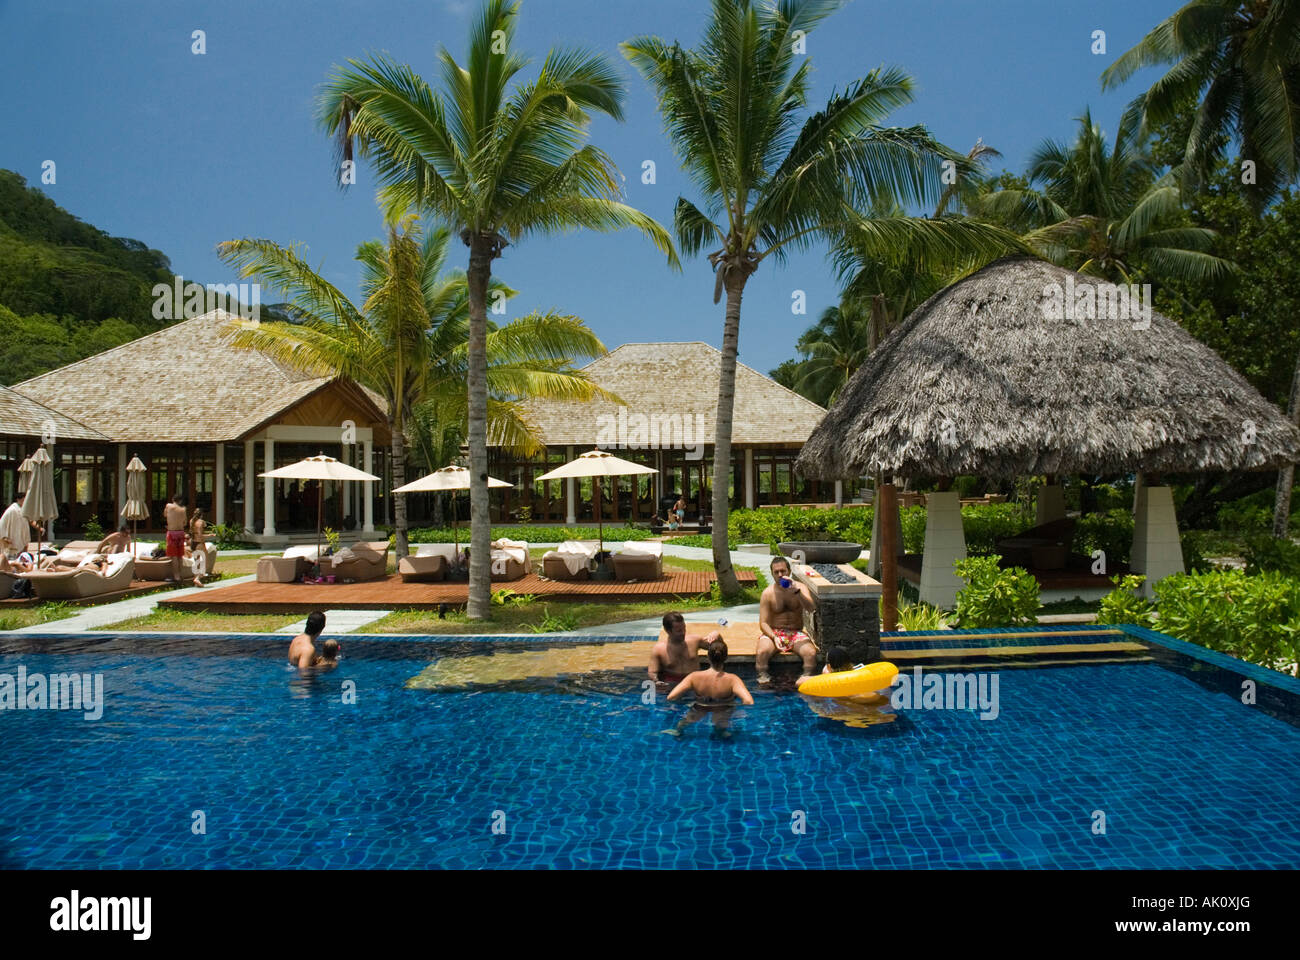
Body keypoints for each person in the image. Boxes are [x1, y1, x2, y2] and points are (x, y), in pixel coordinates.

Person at [665, 639, 754, 737]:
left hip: (699, 708)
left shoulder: (694, 677)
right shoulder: (733, 679)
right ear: (726, 657)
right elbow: (749, 701)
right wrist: (736, 708)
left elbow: (671, 697)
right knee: (720, 728)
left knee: (683, 723)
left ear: (708, 657)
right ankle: (720, 732)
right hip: (722, 709)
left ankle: (678, 731)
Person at [755, 556, 818, 684]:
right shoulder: (768, 593)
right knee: (761, 653)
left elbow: (811, 608)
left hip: (795, 633)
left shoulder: (800, 588)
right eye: (776, 572)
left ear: (789, 572)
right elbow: (763, 623)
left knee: (811, 653)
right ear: (772, 574)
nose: (780, 574)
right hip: (774, 632)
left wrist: (797, 591)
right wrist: (774, 637)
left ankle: (805, 678)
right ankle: (764, 679)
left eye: (783, 571)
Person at [648, 611, 720, 685]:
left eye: (684, 628)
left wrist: (717, 635)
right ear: (667, 631)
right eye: (679, 631)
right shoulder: (659, 649)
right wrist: (656, 681)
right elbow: (652, 672)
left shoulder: (694, 640)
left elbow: (719, 648)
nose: (683, 633)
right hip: (672, 684)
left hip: (695, 682)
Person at [164, 492, 187, 583]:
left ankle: (176, 576)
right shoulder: (183, 509)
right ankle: (180, 575)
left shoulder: (169, 506)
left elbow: (165, 515)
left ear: (173, 499)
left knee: (173, 556)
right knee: (180, 555)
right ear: (180, 500)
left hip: (172, 533)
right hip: (181, 533)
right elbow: (184, 522)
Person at [188, 508, 207, 588]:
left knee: (196, 563)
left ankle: (196, 581)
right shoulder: (201, 522)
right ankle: (198, 578)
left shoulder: (191, 521)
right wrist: (210, 536)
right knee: (203, 562)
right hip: (199, 543)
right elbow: (200, 534)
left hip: (193, 543)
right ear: (201, 514)